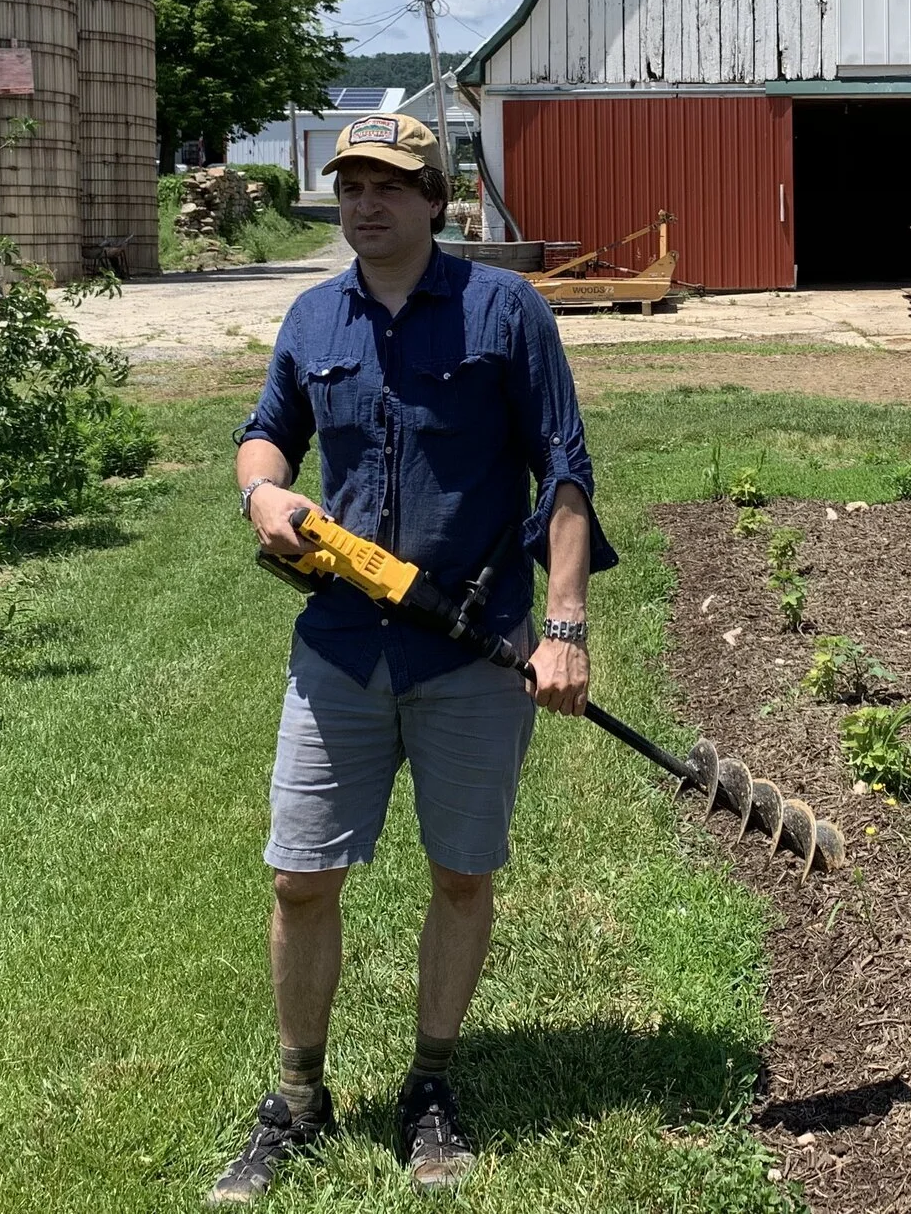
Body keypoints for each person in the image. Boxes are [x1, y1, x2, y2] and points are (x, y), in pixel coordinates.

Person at [212, 112, 614, 1203]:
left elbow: (563, 471)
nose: (363, 205)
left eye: (388, 186)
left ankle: (429, 1083)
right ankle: (297, 1097)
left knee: (460, 873)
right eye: (348, 187)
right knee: (301, 877)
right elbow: (267, 430)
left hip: (473, 653)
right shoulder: (312, 314)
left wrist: (564, 628)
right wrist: (263, 490)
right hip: (340, 644)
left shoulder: (504, 310)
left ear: (438, 199)